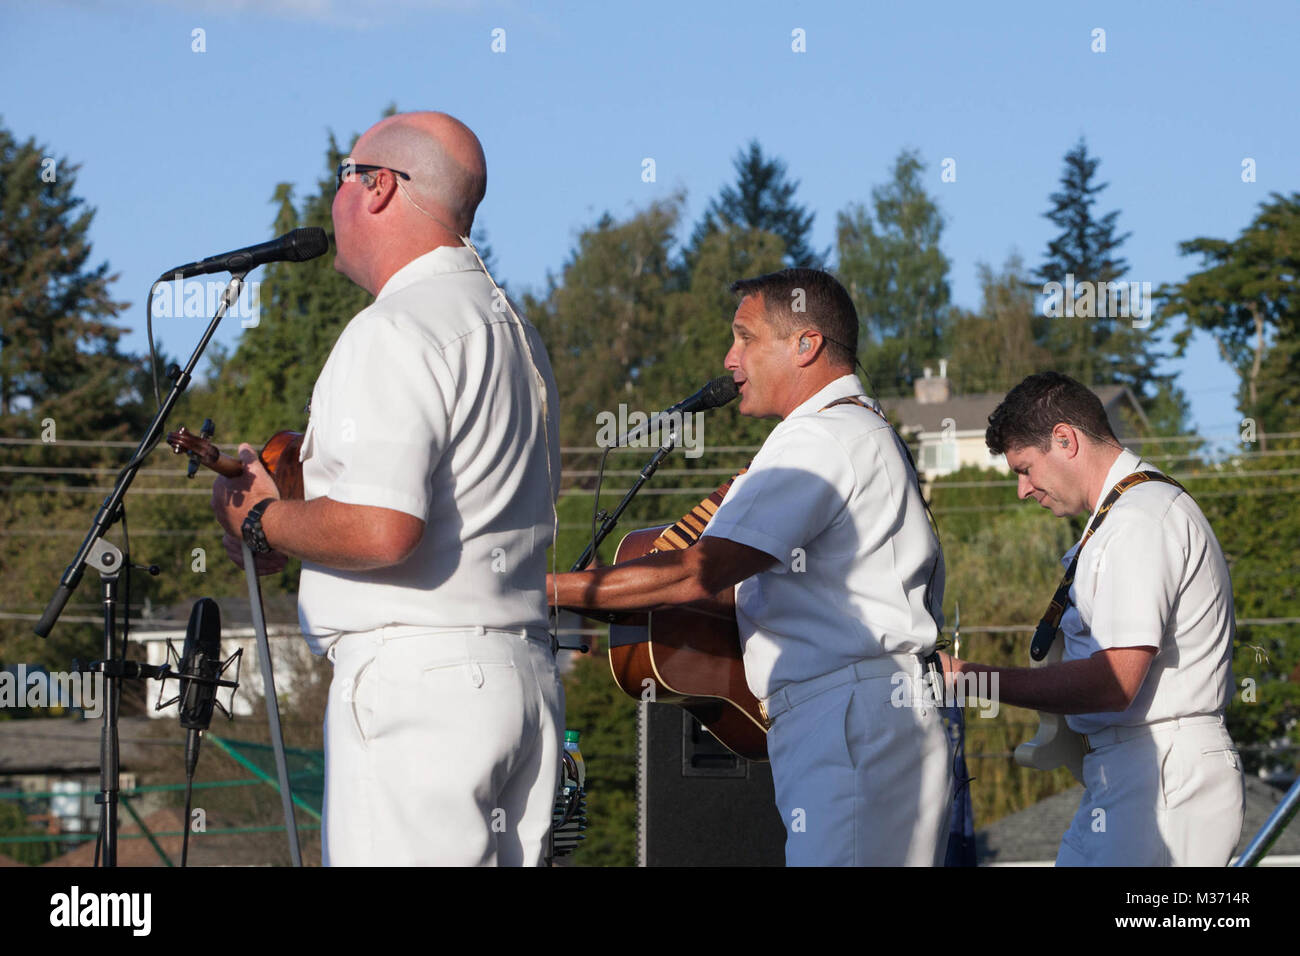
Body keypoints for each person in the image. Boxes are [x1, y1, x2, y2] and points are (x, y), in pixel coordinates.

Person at [210, 111, 563, 866]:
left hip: (420, 685)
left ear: (377, 188)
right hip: (523, 674)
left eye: (344, 174)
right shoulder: (513, 331)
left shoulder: (396, 328)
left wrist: (261, 519)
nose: (332, 200)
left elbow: (382, 530)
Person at [547, 268, 953, 866]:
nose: (729, 358)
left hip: (849, 720)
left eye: (745, 337)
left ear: (805, 344)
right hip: (853, 717)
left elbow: (694, 573)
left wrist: (542, 588)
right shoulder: (846, 430)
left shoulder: (821, 438)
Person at [942, 371, 1244, 865]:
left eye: (1025, 468)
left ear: (1065, 439)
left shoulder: (1138, 520)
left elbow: (1114, 684)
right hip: (1142, 771)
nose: (1022, 489)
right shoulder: (1127, 515)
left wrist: (970, 679)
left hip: (1161, 775)